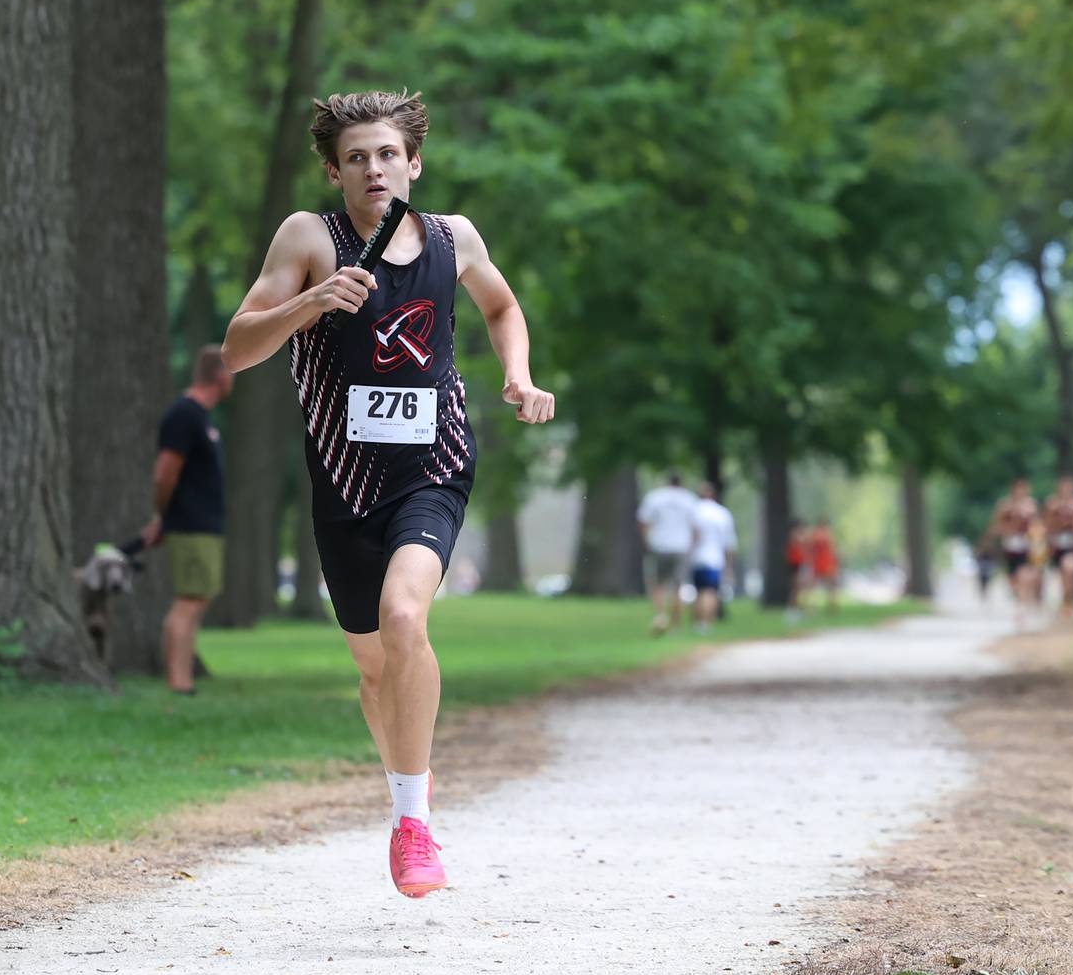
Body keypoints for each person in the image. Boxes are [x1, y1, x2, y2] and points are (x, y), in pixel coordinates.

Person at [221, 90, 555, 898]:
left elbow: (502, 305)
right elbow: (235, 350)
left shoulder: (452, 238)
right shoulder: (309, 237)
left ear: (414, 163)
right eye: (357, 157)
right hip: (344, 479)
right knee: (375, 669)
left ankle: (413, 822)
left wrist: (519, 374)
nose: (374, 168)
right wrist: (309, 302)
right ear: (335, 171)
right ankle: (409, 780)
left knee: (408, 617)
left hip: (433, 466)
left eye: (387, 154)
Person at [140, 346, 235, 695]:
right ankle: (178, 680)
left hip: (204, 525)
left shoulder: (201, 417)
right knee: (189, 599)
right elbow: (165, 474)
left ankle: (185, 675)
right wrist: (162, 516)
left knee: (199, 597)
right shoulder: (184, 414)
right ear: (221, 376)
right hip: (190, 524)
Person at [638, 472, 698, 636]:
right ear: (681, 482)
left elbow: (643, 521)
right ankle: (676, 626)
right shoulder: (689, 499)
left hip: (659, 546)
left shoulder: (655, 497)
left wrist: (647, 541)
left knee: (657, 585)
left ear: (667, 481)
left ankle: (661, 617)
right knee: (678, 587)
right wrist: (691, 546)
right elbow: (695, 527)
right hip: (681, 547)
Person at [688, 483, 738, 635]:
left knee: (698, 591)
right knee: (710, 592)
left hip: (696, 557)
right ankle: (706, 623)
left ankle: (697, 623)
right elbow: (730, 542)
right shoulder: (722, 513)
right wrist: (730, 564)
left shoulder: (694, 511)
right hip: (715, 558)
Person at [991, 477, 1040, 625]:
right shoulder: (1004, 505)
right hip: (1009, 547)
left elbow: (1037, 526)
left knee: (1024, 577)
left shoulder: (1031, 506)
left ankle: (1021, 610)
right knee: (1013, 581)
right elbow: (997, 525)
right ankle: (1021, 602)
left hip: (1025, 547)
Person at [1043, 474, 1073, 619]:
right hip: (1057, 546)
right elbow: (1046, 526)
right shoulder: (1052, 504)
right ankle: (1066, 601)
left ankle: (1068, 602)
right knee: (1063, 576)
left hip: (1072, 545)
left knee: (1070, 569)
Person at [810, 519, 840, 612]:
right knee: (830, 586)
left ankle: (816, 606)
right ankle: (831, 606)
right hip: (825, 563)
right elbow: (833, 550)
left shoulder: (815, 535)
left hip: (820, 563)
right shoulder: (826, 535)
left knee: (818, 586)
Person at [784, 519, 810, 623]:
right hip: (794, 564)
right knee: (795, 588)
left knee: (799, 588)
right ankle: (793, 611)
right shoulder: (794, 536)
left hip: (798, 563)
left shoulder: (798, 536)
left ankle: (798, 609)